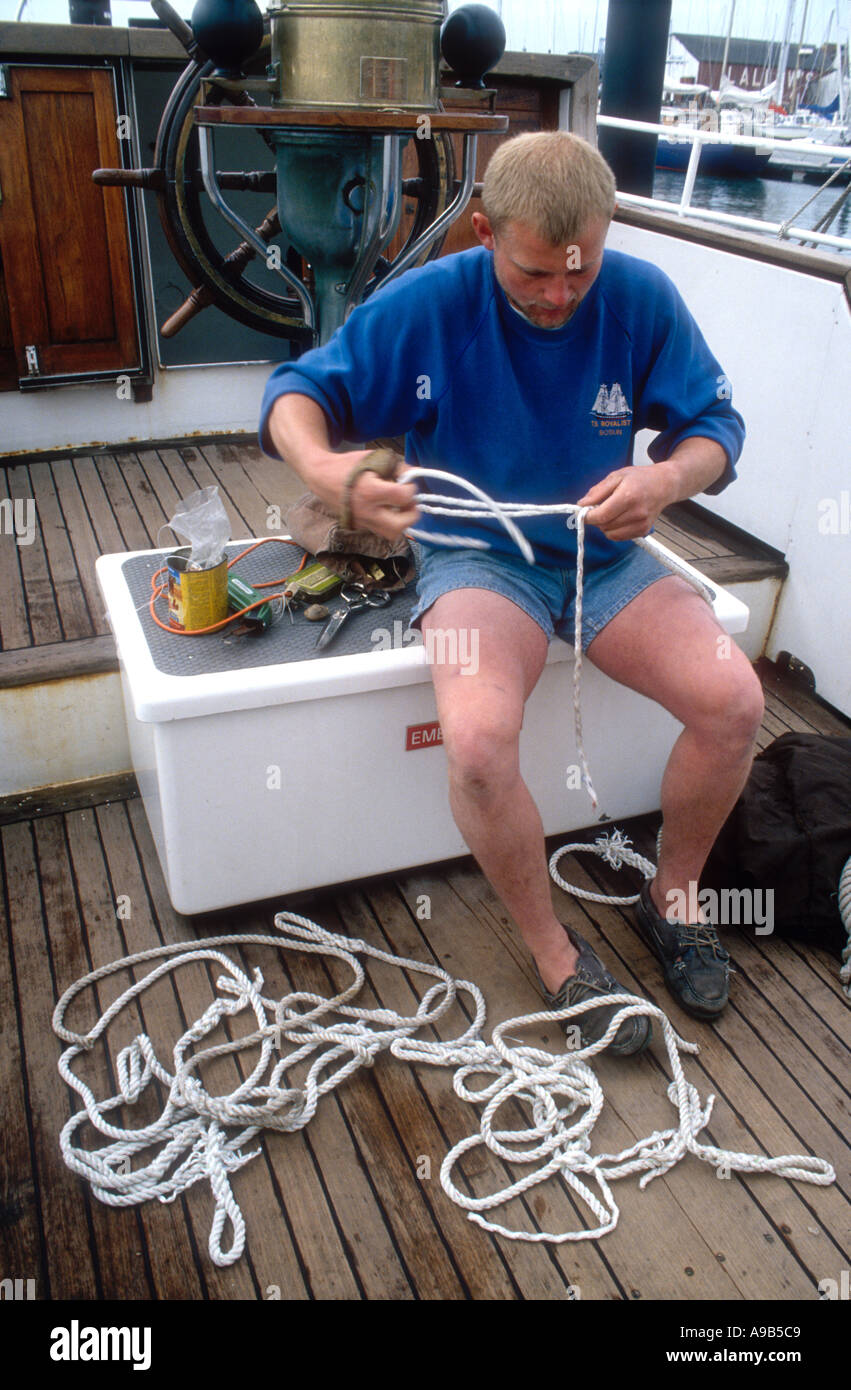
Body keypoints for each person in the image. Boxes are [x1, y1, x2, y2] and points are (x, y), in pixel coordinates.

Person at [259, 131, 764, 1056]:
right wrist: (330, 473)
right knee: (481, 745)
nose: (559, 295)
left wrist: (662, 481)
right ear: (485, 231)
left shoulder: (641, 296)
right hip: (477, 559)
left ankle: (675, 897)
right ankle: (554, 952)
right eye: (533, 272)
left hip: (603, 554)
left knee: (733, 701)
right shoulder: (429, 302)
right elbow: (296, 394)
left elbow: (715, 428)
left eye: (580, 270)